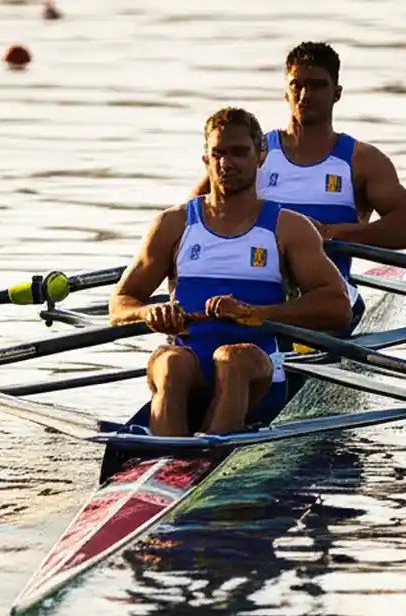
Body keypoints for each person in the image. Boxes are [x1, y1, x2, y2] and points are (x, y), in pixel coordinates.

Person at [110, 107, 352, 437]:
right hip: (189, 365)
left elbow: (338, 307)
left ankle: (211, 450)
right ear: (206, 159)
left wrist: (258, 314)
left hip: (256, 370)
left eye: (239, 152)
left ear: (261, 156)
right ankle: (169, 456)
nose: (227, 163)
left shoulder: (289, 228)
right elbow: (120, 303)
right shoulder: (172, 225)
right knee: (171, 362)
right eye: (219, 153)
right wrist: (149, 312)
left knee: (231, 358)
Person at [190, 41, 406, 328]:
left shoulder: (361, 161)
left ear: (337, 93)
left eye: (317, 86)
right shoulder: (249, 154)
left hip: (322, 302)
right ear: (285, 92)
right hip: (253, 296)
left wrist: (330, 233)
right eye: (297, 85)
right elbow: (194, 220)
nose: (305, 96)